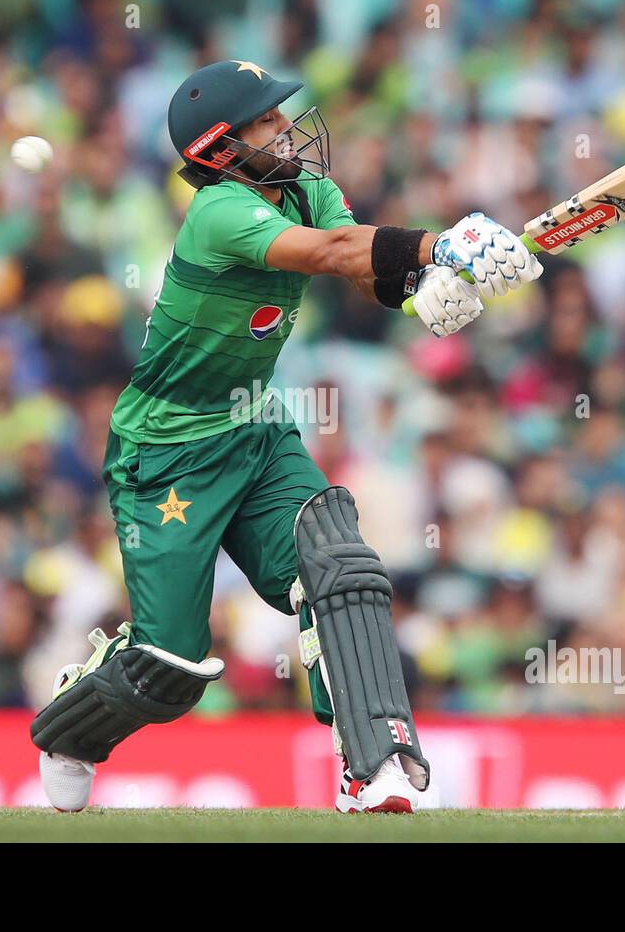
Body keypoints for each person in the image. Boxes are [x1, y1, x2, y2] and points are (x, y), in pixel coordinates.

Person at [30, 60, 542, 813]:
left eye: (281, 113)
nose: (287, 127)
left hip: (255, 426)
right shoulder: (218, 213)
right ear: (221, 149)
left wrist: (429, 292)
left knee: (341, 563)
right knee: (167, 666)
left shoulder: (305, 188)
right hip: (165, 451)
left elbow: (360, 266)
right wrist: (442, 244)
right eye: (267, 121)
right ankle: (73, 725)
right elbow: (332, 253)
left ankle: (377, 766)